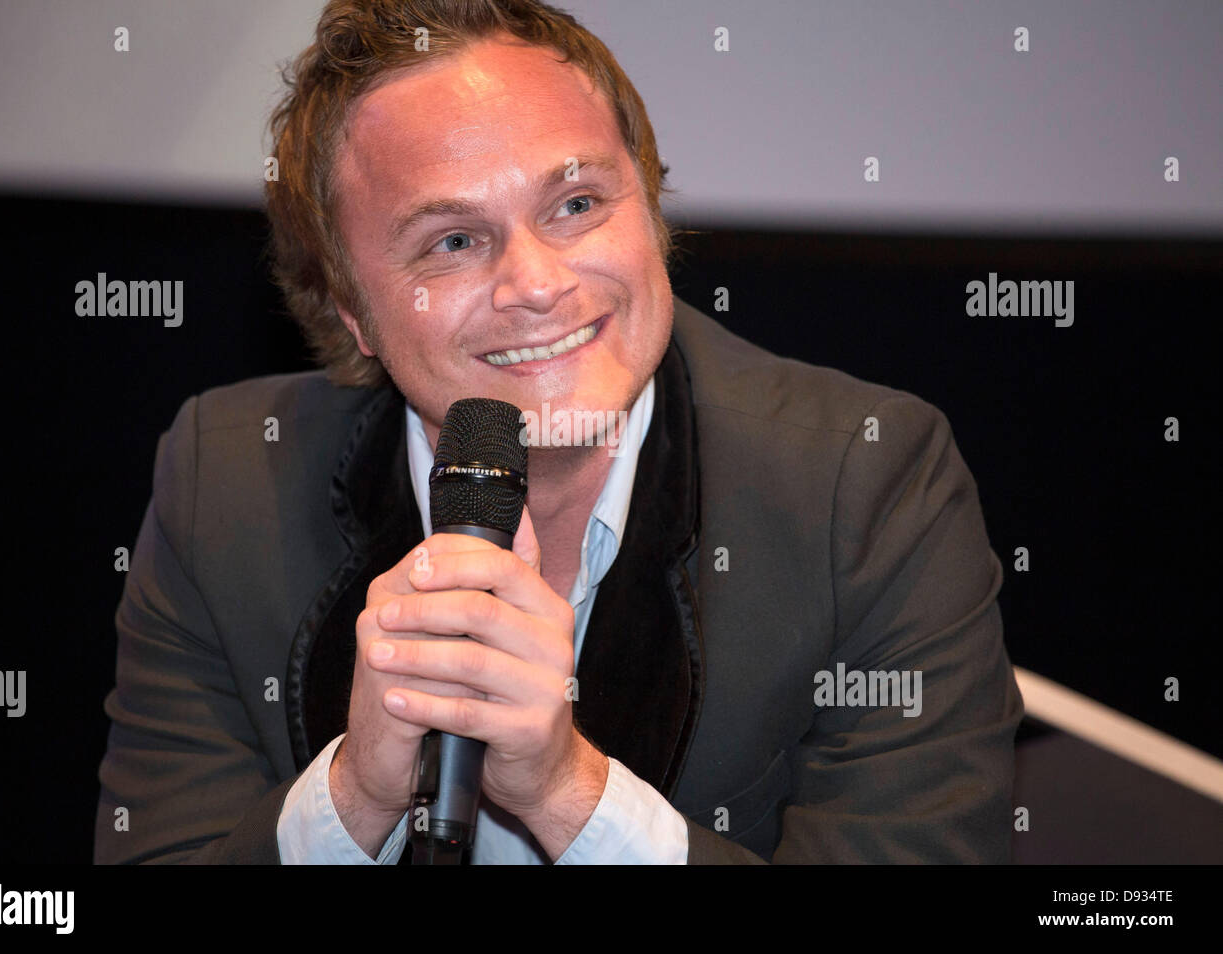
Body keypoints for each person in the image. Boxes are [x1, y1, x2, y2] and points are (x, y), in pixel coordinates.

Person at [94, 0, 1023, 864]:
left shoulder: (865, 481)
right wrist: (352, 797)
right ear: (352, 314)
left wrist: (568, 793)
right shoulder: (226, 483)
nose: (536, 284)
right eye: (453, 241)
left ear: (651, 212)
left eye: (576, 205)